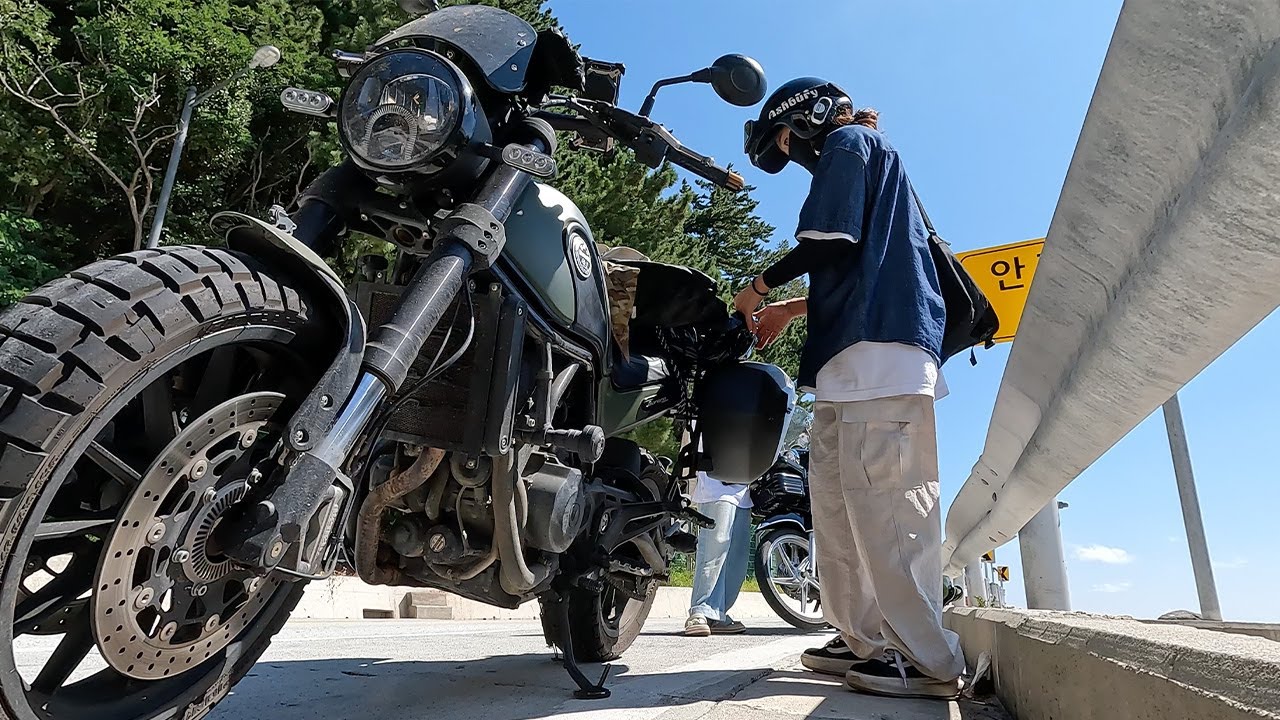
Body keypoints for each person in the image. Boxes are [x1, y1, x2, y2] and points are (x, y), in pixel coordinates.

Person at [731, 77, 965, 699]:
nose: (792, 154)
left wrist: (760, 287)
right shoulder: (866, 160)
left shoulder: (849, 141)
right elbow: (853, 266)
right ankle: (862, 637)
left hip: (880, 358)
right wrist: (791, 310)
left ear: (803, 120)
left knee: (888, 509)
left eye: (785, 141)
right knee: (837, 511)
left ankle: (928, 658)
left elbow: (828, 241)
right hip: (848, 364)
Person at [683, 466, 752, 636]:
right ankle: (700, 610)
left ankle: (717, 614)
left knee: (738, 558)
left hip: (743, 490)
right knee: (714, 549)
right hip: (716, 486)